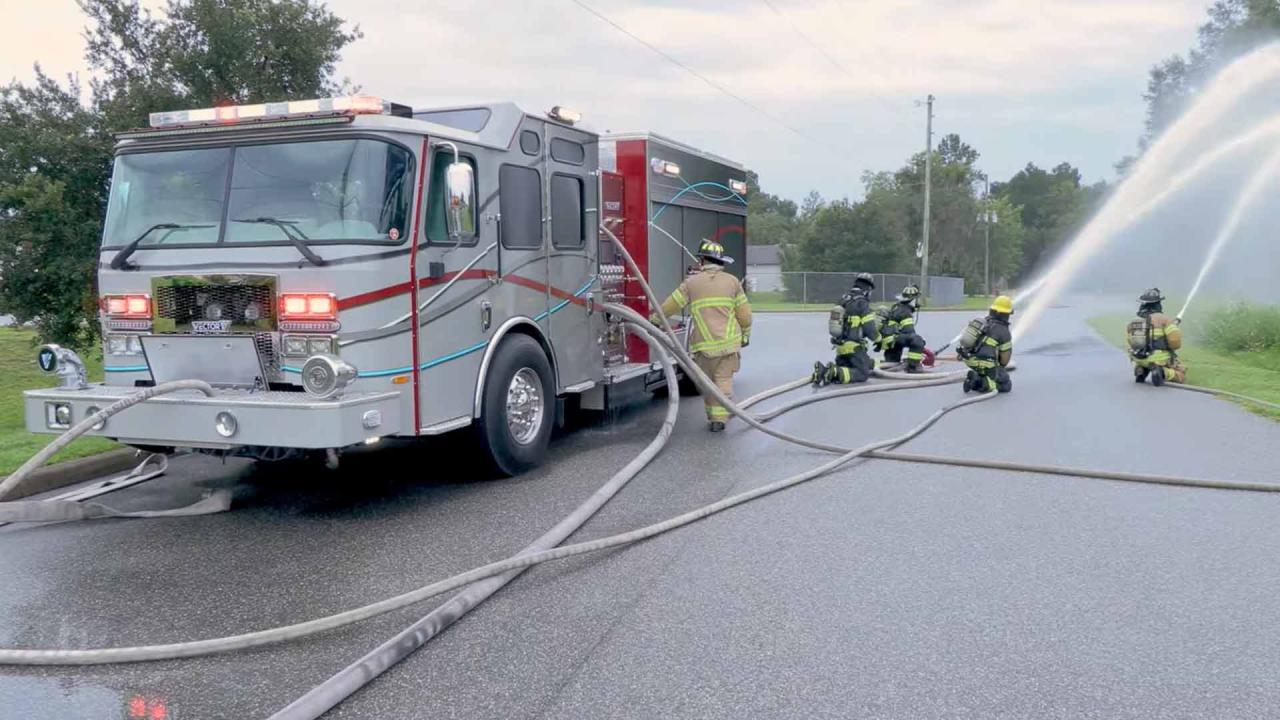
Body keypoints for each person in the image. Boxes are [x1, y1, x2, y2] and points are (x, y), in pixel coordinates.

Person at [652, 240, 752, 432]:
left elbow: (670, 305)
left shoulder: (691, 284)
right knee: (723, 380)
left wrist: (655, 319)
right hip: (729, 345)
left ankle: (717, 417)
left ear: (702, 260)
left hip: (703, 346)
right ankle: (720, 417)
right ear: (720, 261)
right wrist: (746, 334)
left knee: (708, 384)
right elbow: (745, 315)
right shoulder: (732, 282)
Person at [812, 272, 878, 386]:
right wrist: (879, 339)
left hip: (840, 348)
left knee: (861, 365)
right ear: (867, 289)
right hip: (854, 349)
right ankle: (834, 371)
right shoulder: (862, 303)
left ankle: (824, 371)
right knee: (863, 374)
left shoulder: (844, 299)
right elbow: (870, 330)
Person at [1127, 287, 1185, 385]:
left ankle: (1141, 371)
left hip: (1138, 358)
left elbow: (1130, 340)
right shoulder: (1164, 320)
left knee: (1146, 364)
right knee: (1181, 372)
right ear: (1158, 303)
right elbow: (1175, 342)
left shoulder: (1134, 321)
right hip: (1158, 358)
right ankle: (1162, 372)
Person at [958, 295, 1014, 393]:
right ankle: (980, 382)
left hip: (968, 359)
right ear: (1005, 314)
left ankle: (976, 376)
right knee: (1005, 383)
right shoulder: (1004, 331)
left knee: (986, 369)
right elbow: (1004, 361)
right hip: (986, 364)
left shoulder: (983, 322)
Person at [878, 284, 927, 373]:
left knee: (892, 363)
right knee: (918, 341)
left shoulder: (898, 306)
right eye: (917, 299)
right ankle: (912, 366)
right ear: (912, 299)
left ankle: (891, 362)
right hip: (894, 339)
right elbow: (909, 332)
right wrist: (921, 344)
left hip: (890, 340)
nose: (918, 302)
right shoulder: (905, 312)